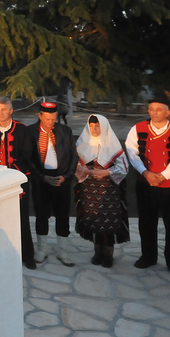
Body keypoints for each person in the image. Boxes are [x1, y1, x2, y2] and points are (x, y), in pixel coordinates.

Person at [124, 98, 170, 278]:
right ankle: (148, 256)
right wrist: (146, 173)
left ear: (168, 113)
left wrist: (163, 176)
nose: (154, 112)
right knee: (146, 222)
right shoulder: (137, 129)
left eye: (159, 109)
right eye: (151, 109)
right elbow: (132, 153)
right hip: (145, 183)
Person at [0, 98, 37, 267]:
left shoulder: (22, 130)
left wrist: (9, 173)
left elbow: (27, 155)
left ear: (11, 111)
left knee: (21, 218)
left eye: (4, 109)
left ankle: (27, 256)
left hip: (17, 181)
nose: (1, 113)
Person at [73, 115, 129, 268]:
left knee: (109, 221)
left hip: (109, 189)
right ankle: (97, 252)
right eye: (91, 126)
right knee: (93, 218)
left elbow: (124, 168)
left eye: (97, 125)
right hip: (89, 188)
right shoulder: (82, 143)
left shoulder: (113, 145)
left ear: (103, 126)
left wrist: (106, 172)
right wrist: (84, 171)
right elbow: (77, 165)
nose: (94, 129)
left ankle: (108, 254)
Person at [27, 101, 78, 266]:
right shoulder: (31, 132)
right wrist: (42, 177)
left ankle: (63, 251)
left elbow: (74, 156)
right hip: (41, 181)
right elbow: (28, 159)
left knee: (62, 215)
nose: (50, 122)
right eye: (47, 119)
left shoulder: (65, 131)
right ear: (40, 116)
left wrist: (66, 177)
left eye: (53, 119)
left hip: (61, 180)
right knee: (41, 215)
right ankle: (42, 250)